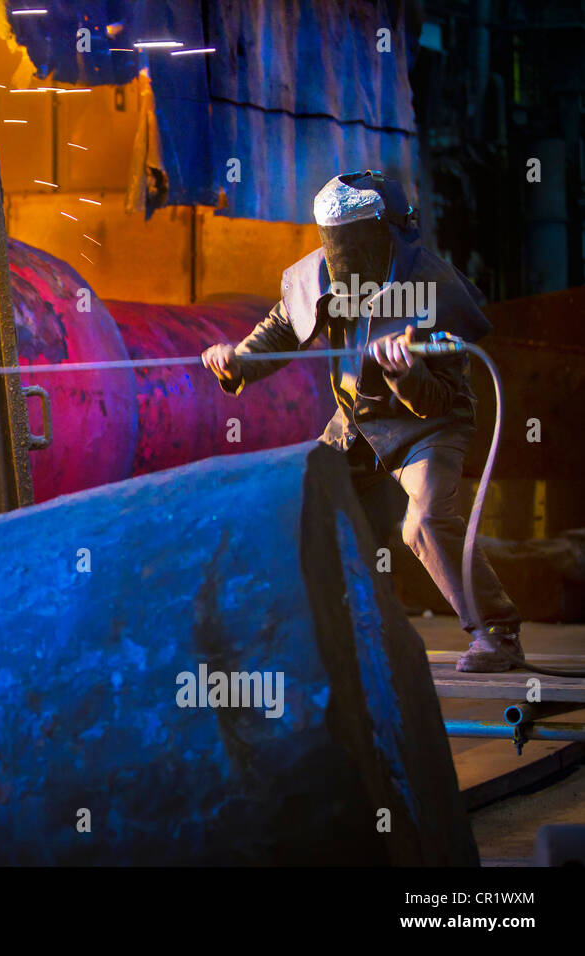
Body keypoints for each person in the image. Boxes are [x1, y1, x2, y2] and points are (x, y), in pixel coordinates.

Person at [201, 171, 523, 672]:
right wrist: (238, 360)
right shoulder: (322, 275)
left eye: (355, 239)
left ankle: (497, 634)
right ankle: (317, 636)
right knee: (296, 499)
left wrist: (406, 375)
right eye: (335, 241)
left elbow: (440, 401)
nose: (343, 257)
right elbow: (282, 329)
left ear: (389, 231)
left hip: (427, 426)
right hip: (354, 422)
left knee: (426, 521)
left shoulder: (433, 289)